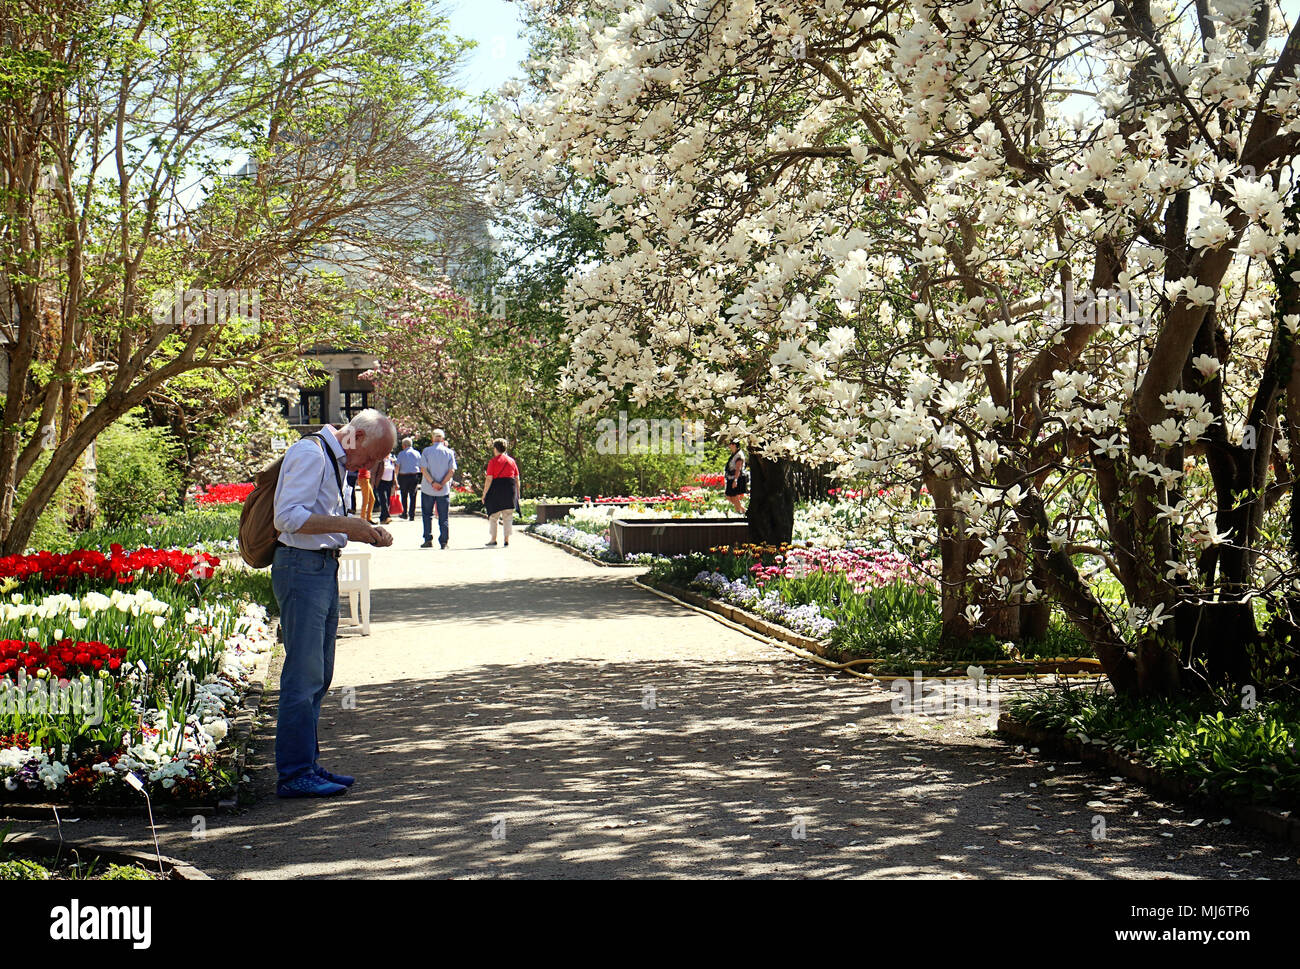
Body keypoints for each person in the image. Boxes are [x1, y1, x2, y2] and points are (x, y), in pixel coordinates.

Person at [271, 408, 396, 798]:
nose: (372, 465)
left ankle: (306, 764)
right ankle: (293, 774)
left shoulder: (334, 457)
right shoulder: (311, 453)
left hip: (319, 568)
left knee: (319, 675)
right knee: (303, 675)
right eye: (373, 456)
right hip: (300, 568)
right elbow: (287, 518)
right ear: (355, 437)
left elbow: (318, 517)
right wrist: (347, 525)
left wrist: (363, 531)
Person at [419, 429, 457, 549]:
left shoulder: (426, 451)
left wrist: (433, 482)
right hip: (443, 489)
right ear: (443, 439)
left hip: (427, 488)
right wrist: (441, 483)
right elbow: (452, 471)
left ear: (432, 438)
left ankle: (427, 539)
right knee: (443, 516)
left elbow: (423, 470)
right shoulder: (449, 452)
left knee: (427, 515)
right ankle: (444, 542)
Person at [482, 438, 520, 547]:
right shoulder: (511, 461)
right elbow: (517, 478)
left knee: (494, 516)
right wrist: (518, 493)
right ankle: (506, 539)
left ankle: (493, 539)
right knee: (508, 516)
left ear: (495, 449)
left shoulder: (493, 462)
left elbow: (489, 479)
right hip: (509, 490)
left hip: (496, 490)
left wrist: (485, 493)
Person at [395, 436, 422, 520]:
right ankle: (412, 514)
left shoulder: (401, 454)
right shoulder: (417, 453)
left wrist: (395, 477)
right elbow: (421, 466)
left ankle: (404, 513)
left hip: (403, 476)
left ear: (404, 445)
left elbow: (397, 466)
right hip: (414, 476)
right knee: (413, 495)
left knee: (404, 495)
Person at [724, 441, 748, 514]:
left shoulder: (739, 455)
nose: (729, 445)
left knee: (734, 496)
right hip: (731, 477)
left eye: (731, 444)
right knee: (729, 496)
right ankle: (743, 510)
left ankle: (740, 511)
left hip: (737, 477)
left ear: (734, 445)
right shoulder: (734, 454)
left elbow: (738, 468)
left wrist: (735, 480)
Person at [375, 450, 396, 524]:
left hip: (389, 482)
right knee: (384, 499)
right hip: (381, 482)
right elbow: (375, 471)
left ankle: (382, 518)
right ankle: (387, 516)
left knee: (388, 501)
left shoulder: (391, 461)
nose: (389, 454)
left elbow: (394, 472)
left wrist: (395, 482)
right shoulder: (380, 461)